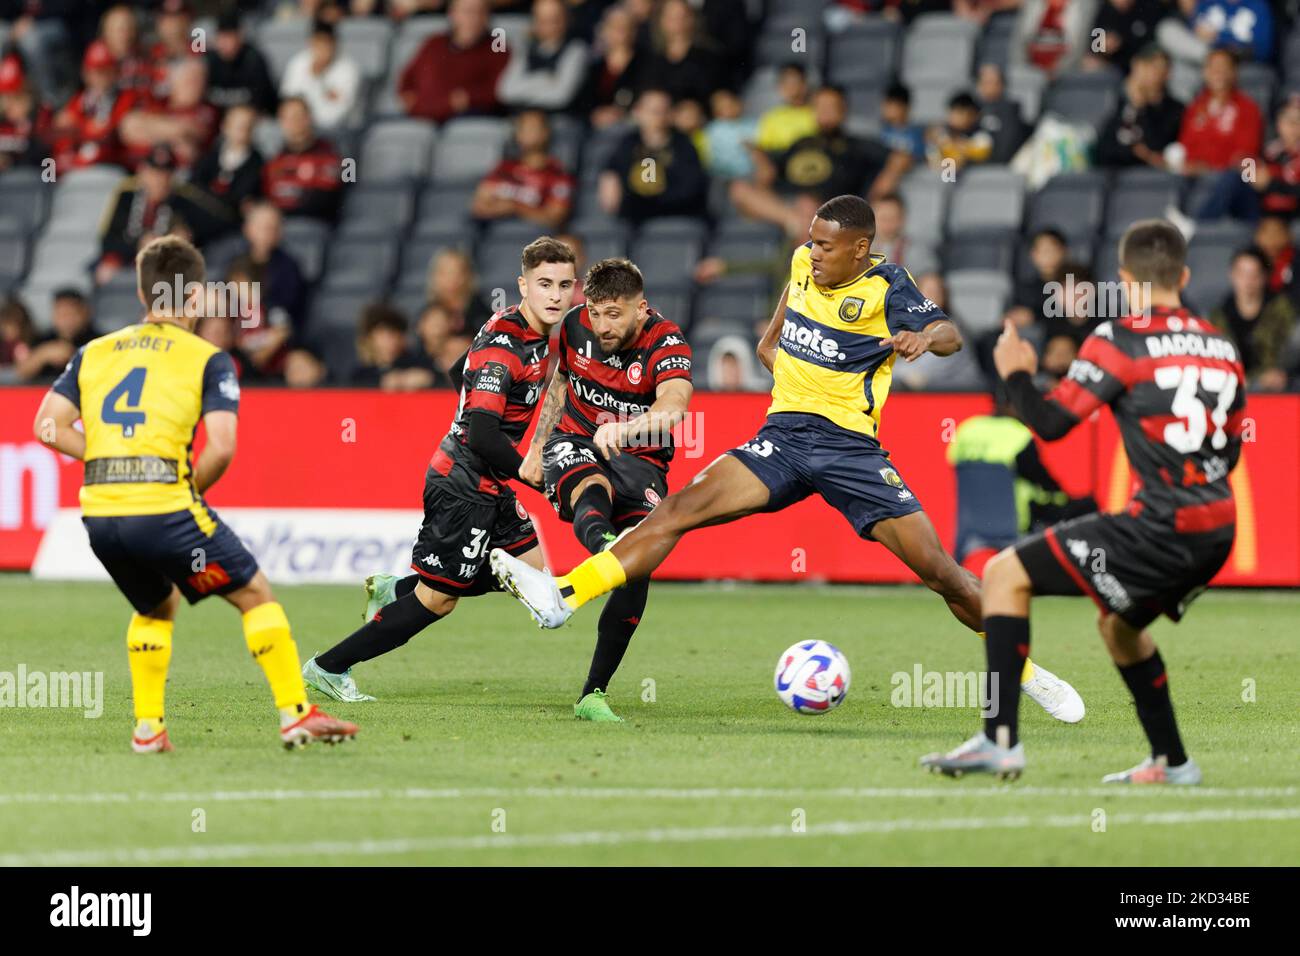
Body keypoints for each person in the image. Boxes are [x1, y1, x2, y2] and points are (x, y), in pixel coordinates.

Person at [491, 196, 1085, 724]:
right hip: (783, 438)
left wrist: (922, 339)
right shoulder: (802, 264)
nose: (813, 252)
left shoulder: (888, 285)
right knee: (676, 511)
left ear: (860, 248)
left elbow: (950, 333)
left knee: (942, 573)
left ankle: (1029, 674)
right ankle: (564, 597)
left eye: (826, 245)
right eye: (812, 241)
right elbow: (768, 344)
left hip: (850, 450)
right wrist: (800, 381)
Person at [922, 218, 1247, 783]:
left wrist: (1016, 376)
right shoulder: (1222, 346)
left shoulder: (1120, 339)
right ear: (1184, 276)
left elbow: (1051, 423)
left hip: (1162, 524)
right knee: (1120, 628)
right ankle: (1172, 763)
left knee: (1002, 574)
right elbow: (1232, 449)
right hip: (1217, 528)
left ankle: (1000, 740)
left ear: (1124, 280)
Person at [31, 235, 357, 752]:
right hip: (164, 508)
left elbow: (47, 426)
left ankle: (148, 729)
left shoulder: (94, 352)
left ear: (142, 295)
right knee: (255, 594)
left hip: (100, 514)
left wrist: (106, 458)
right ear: (198, 297)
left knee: (156, 605)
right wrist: (185, 490)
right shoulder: (208, 358)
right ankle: (297, 715)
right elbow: (222, 447)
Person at [301, 238, 579, 702]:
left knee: (535, 577)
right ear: (523, 285)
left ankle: (398, 589)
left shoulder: (522, 329)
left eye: (564, 285)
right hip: (463, 483)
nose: (555, 295)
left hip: (490, 481)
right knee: (438, 600)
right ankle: (328, 667)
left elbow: (458, 371)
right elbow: (482, 433)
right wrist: (531, 473)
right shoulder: (507, 345)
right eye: (544, 284)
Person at [522, 258, 693, 721]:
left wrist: (629, 429)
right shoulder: (573, 326)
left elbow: (674, 405)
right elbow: (561, 381)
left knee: (638, 573)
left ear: (642, 308)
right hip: (575, 440)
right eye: (596, 313)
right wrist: (537, 446)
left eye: (614, 314)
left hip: (641, 459)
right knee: (590, 487)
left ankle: (592, 694)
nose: (601, 326)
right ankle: (605, 551)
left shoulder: (666, 341)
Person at [599, 88, 708, 224]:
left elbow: (689, 190)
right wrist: (610, 178)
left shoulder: (684, 145)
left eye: (663, 110)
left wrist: (649, 201)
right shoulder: (628, 143)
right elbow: (613, 172)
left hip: (675, 218)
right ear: (637, 112)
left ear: (671, 114)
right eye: (653, 111)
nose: (658, 116)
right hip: (634, 220)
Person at [397, 0, 505, 124]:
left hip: (470, 119)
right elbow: (406, 83)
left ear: (487, 16)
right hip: (424, 117)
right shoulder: (434, 43)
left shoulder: (497, 47)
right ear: (452, 14)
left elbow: (499, 91)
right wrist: (448, 103)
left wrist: (467, 99)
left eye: (479, 12)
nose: (472, 18)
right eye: (467, 11)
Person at [471, 109, 574, 230]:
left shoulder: (557, 174)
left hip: (536, 238)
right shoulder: (504, 167)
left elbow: (555, 218)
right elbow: (479, 205)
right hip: (500, 233)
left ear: (546, 132)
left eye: (533, 128)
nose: (528, 132)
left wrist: (515, 207)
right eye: (523, 128)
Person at [1209, 247, 1296, 391]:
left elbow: (1291, 351)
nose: (1248, 281)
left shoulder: (1281, 309)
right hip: (1235, 386)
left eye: (1254, 275)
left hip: (1279, 386)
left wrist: (1281, 372)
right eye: (1242, 274)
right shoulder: (1219, 315)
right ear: (1231, 274)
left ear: (1265, 276)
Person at [1171, 49, 1262, 176]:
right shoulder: (1195, 107)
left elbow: (1247, 154)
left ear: (1234, 72)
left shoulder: (1248, 108)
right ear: (1205, 72)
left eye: (1224, 66)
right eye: (1212, 67)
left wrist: (1209, 167)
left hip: (1228, 177)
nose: (1218, 72)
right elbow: (1185, 145)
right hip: (1193, 176)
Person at [1095, 44, 1184, 169]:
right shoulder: (1117, 102)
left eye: (1157, 68)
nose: (1150, 73)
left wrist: (1141, 107)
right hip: (1114, 174)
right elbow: (1104, 150)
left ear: (1167, 73)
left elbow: (1158, 147)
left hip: (1153, 177)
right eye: (1145, 66)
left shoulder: (1175, 110)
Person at [496, 0, 588, 113]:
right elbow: (506, 92)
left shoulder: (576, 49)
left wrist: (525, 86)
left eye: (554, 20)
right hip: (524, 116)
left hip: (561, 117)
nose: (548, 27)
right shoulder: (525, 48)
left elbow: (560, 97)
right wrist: (545, 80)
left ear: (567, 19)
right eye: (542, 20)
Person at [261, 96, 343, 222]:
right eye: (288, 118)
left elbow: (325, 200)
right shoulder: (274, 160)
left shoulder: (329, 154)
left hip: (314, 223)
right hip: (277, 224)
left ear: (309, 118)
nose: (294, 122)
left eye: (298, 116)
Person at [279, 18, 361, 133]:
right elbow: (288, 100)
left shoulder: (349, 69)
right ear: (310, 42)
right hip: (301, 127)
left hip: (338, 131)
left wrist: (319, 78)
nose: (322, 48)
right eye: (318, 42)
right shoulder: (298, 63)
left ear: (335, 43)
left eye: (326, 43)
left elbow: (341, 112)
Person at [205, 9, 277, 113]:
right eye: (222, 37)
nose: (225, 44)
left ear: (240, 36)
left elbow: (263, 102)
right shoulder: (208, 61)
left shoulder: (254, 61)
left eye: (230, 37)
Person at [15, 288, 95, 382]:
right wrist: (44, 354)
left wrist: (73, 356)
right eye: (60, 314)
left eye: (70, 314)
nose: (65, 320)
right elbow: (21, 373)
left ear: (84, 313)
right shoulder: (42, 339)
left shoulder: (98, 341)